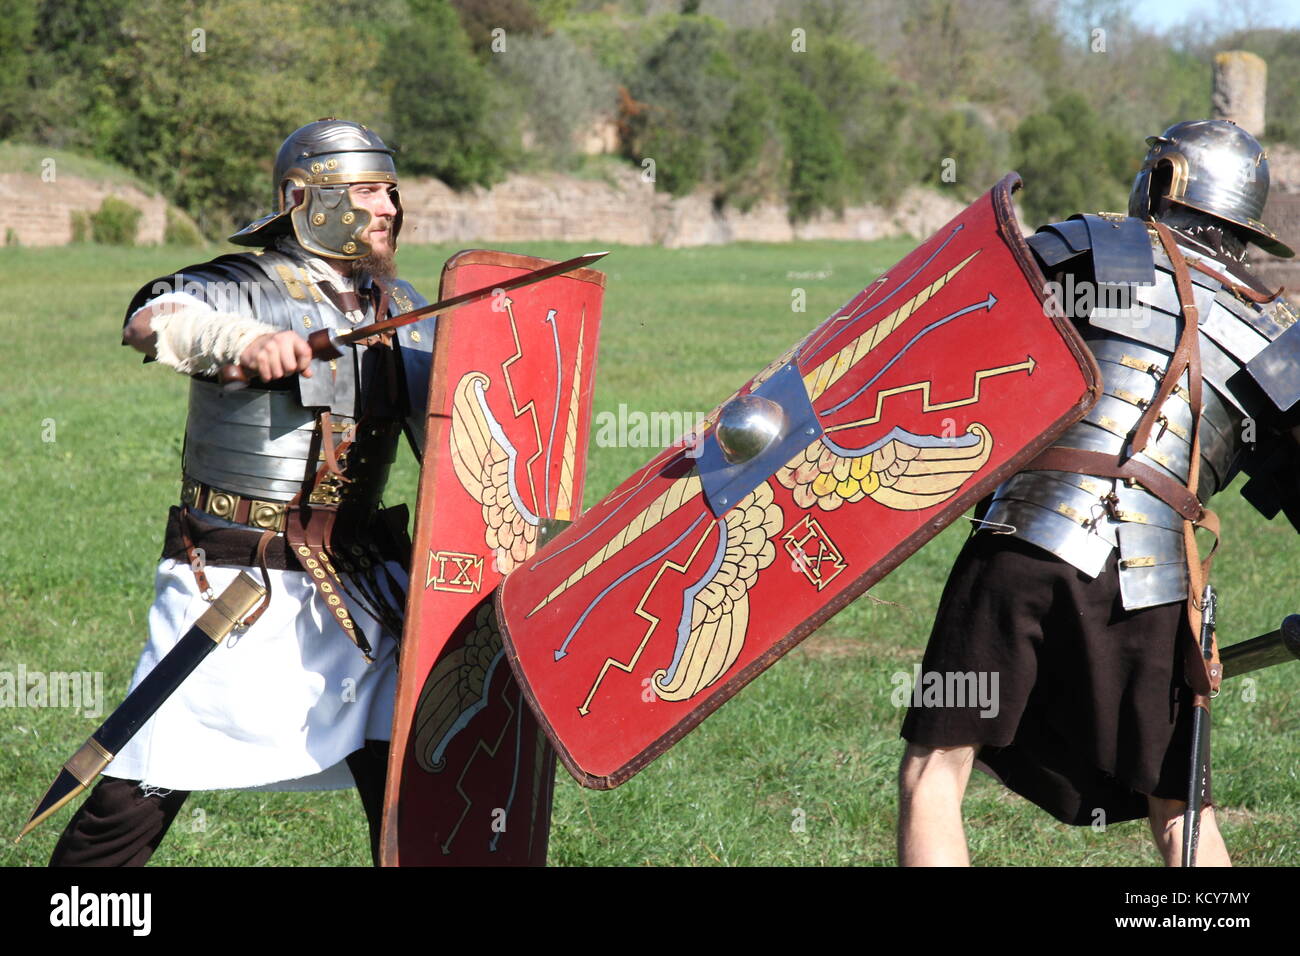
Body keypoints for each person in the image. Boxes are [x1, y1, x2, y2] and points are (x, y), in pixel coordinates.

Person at [897, 119, 1300, 866]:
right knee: (1182, 813)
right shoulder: (1280, 345)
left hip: (1026, 541)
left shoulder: (1094, 248)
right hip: (1155, 587)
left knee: (934, 772)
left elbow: (943, 331)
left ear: (1164, 181)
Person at [49, 119, 436, 866]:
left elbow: (453, 439)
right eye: (365, 191)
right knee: (146, 781)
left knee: (412, 771)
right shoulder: (245, 285)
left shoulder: (401, 306)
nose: (387, 206)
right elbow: (153, 318)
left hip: (364, 580)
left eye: (390, 190)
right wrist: (243, 341)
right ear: (303, 198)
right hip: (238, 579)